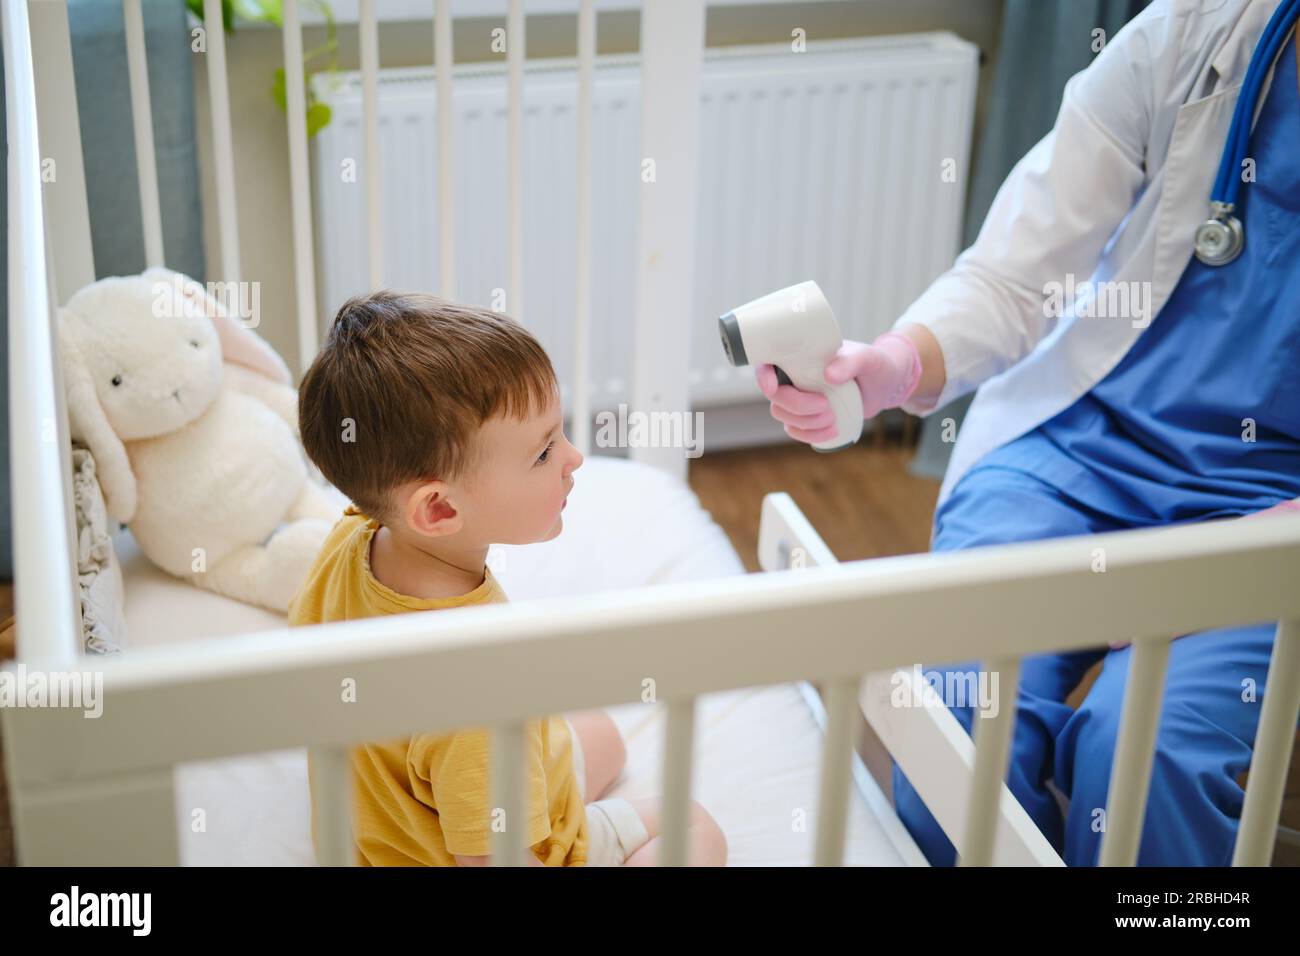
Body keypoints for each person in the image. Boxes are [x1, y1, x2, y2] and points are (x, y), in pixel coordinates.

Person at [758, 0, 1300, 865]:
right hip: (1072, 453)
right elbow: (1019, 271)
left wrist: (1237, 560)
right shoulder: (1195, 29)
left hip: (1273, 519)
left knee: (1142, 758)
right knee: (952, 728)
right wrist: (899, 365)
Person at [290, 291, 727, 866]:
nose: (574, 458)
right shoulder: (478, 680)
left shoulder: (353, 534)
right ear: (440, 511)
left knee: (600, 735)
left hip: (384, 818)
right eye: (544, 452)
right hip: (493, 848)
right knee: (696, 827)